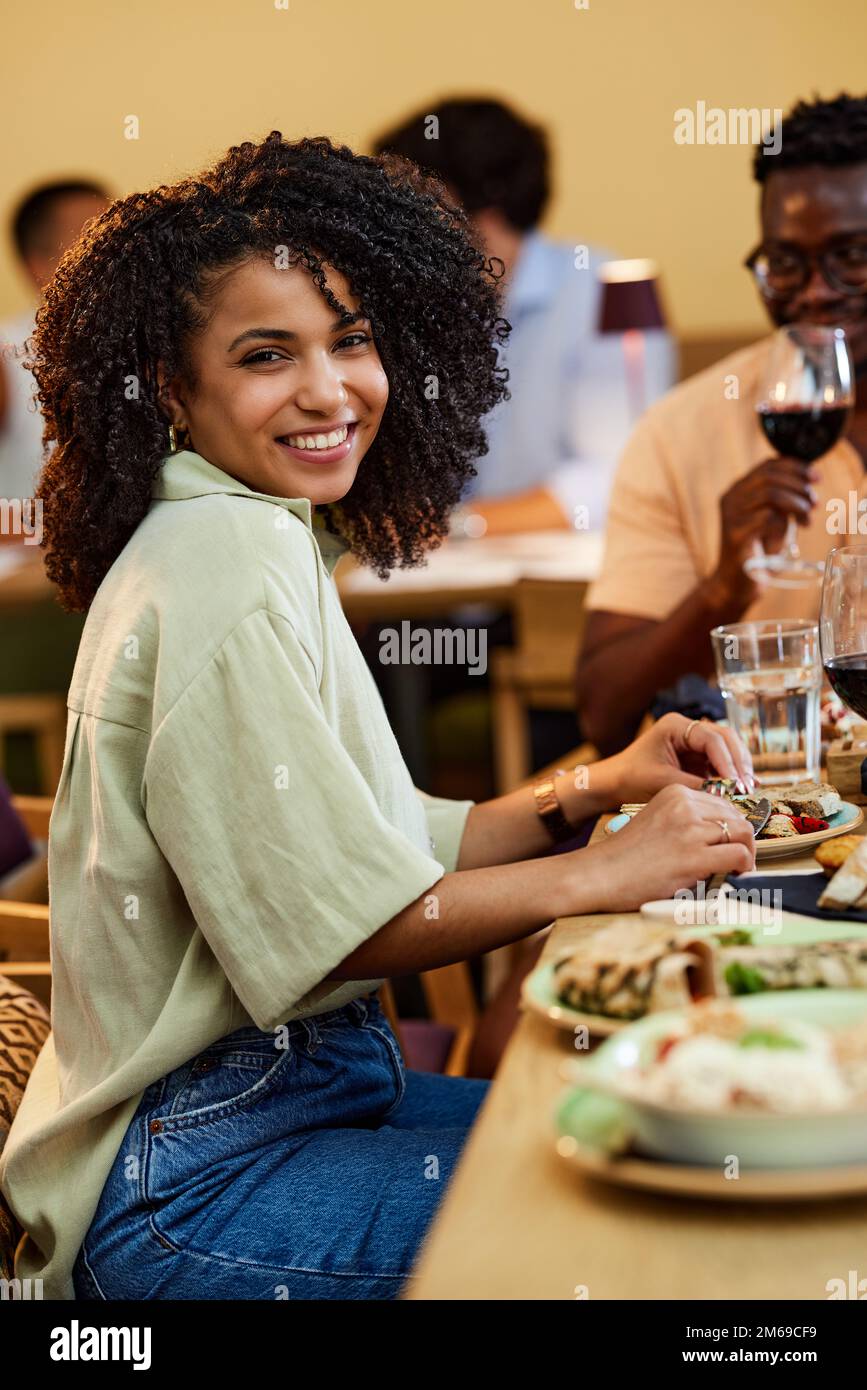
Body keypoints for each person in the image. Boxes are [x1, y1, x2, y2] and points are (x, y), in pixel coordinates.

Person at [0, 132, 755, 1302]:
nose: (328, 388)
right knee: (687, 1225)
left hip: (291, 1111)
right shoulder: (222, 567)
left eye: (350, 340)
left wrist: (595, 786)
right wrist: (601, 877)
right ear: (170, 382)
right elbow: (339, 931)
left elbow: (379, 839)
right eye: (266, 355)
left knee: (686, 1138)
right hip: (195, 1183)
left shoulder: (250, 530)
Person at [577, 93, 867, 754]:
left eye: (852, 257)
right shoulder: (681, 431)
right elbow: (602, 716)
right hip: (774, 817)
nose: (815, 292)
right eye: (785, 263)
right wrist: (720, 589)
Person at [374, 97, 676, 536]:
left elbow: (615, 477)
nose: (395, 230)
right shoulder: (413, 300)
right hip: (436, 586)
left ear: (485, 205)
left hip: (560, 585)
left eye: (414, 206)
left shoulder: (608, 289)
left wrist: (454, 527)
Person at [0, 180, 109, 521]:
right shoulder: (7, 359)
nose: (114, 252)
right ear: (39, 265)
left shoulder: (152, 345)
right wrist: (46, 534)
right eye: (92, 239)